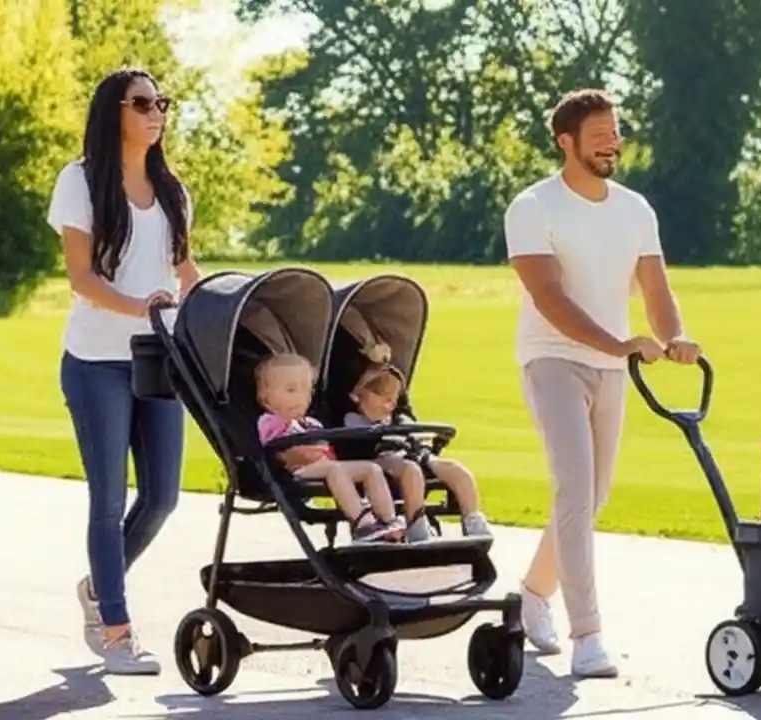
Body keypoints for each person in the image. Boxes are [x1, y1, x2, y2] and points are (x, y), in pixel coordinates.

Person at [502, 88, 702, 678]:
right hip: (552, 359)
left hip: (612, 368)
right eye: (599, 135)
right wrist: (618, 343)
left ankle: (532, 594)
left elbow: (656, 289)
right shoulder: (533, 207)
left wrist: (675, 336)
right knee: (574, 488)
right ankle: (587, 635)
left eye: (615, 132)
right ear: (565, 141)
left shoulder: (635, 210)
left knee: (593, 496)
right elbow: (549, 297)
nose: (612, 143)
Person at [48, 68, 198, 674]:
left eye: (161, 102)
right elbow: (81, 278)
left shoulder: (172, 190)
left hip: (158, 363)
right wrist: (141, 307)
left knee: (162, 497)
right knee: (108, 500)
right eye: (142, 103)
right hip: (96, 364)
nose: (156, 112)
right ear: (115, 111)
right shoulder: (80, 181)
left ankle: (97, 586)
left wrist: (222, 308)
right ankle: (115, 630)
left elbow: (185, 271)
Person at [342, 349, 493, 542]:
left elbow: (414, 434)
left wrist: (406, 426)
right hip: (379, 458)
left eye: (393, 396)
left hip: (412, 453)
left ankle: (474, 522)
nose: (389, 401)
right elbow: (355, 446)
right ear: (357, 396)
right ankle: (416, 524)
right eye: (380, 393)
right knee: (411, 470)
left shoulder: (398, 418)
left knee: (457, 470)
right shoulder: (353, 420)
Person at [254, 352, 406, 544]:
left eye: (307, 390)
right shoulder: (270, 421)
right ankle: (362, 523)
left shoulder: (310, 423)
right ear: (265, 397)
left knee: (371, 468)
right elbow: (273, 448)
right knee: (335, 470)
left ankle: (388, 520)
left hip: (324, 466)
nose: (301, 398)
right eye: (291, 390)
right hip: (296, 469)